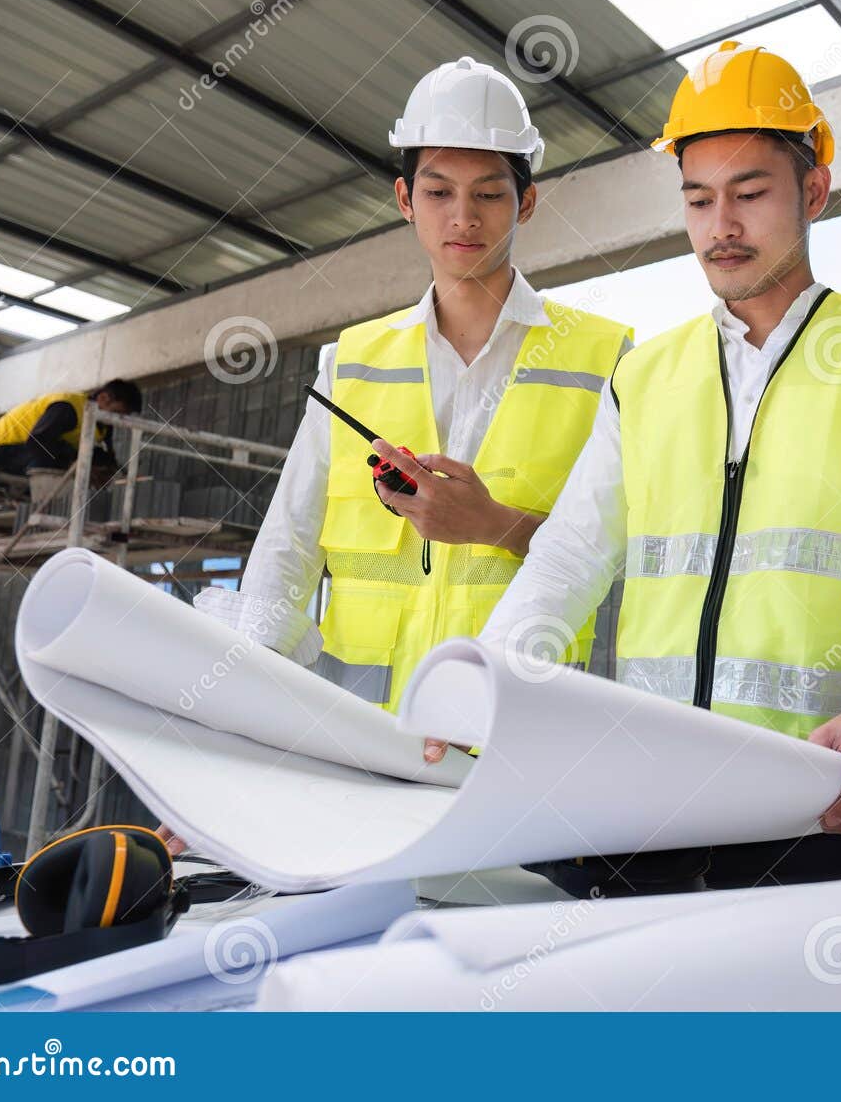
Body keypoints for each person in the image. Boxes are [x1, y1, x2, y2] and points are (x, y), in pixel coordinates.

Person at [471, 41, 841, 898]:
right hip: (647, 797)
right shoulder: (644, 375)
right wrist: (491, 681)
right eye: (700, 199)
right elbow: (567, 558)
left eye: (750, 194)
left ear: (812, 192)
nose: (722, 227)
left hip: (816, 795)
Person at [169, 58, 631, 856]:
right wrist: (225, 745)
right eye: (440, 191)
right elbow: (284, 554)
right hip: (362, 750)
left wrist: (494, 523)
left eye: (489, 192)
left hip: (522, 751)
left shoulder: (605, 357)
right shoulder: (351, 359)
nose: (465, 217)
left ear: (526, 200)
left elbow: (631, 554)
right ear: (403, 200)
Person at [0, 379, 139, 476]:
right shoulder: (68, 407)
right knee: (61, 452)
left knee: (93, 456)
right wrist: (72, 466)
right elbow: (37, 441)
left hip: (24, 453)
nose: (118, 420)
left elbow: (105, 457)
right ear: (103, 398)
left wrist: (117, 472)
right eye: (117, 413)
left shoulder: (102, 425)